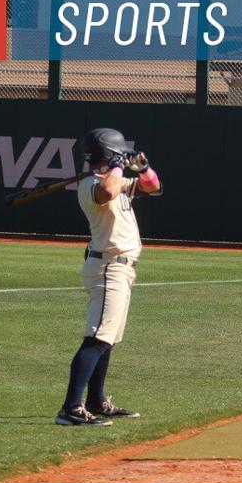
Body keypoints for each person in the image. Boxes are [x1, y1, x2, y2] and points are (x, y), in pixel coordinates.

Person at [56, 128, 162, 426]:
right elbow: (106, 194)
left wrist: (142, 168)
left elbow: (154, 187)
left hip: (122, 268)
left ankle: (96, 401)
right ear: (109, 153)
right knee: (97, 338)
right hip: (108, 268)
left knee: (109, 339)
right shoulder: (92, 184)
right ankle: (70, 408)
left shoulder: (116, 180)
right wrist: (116, 166)